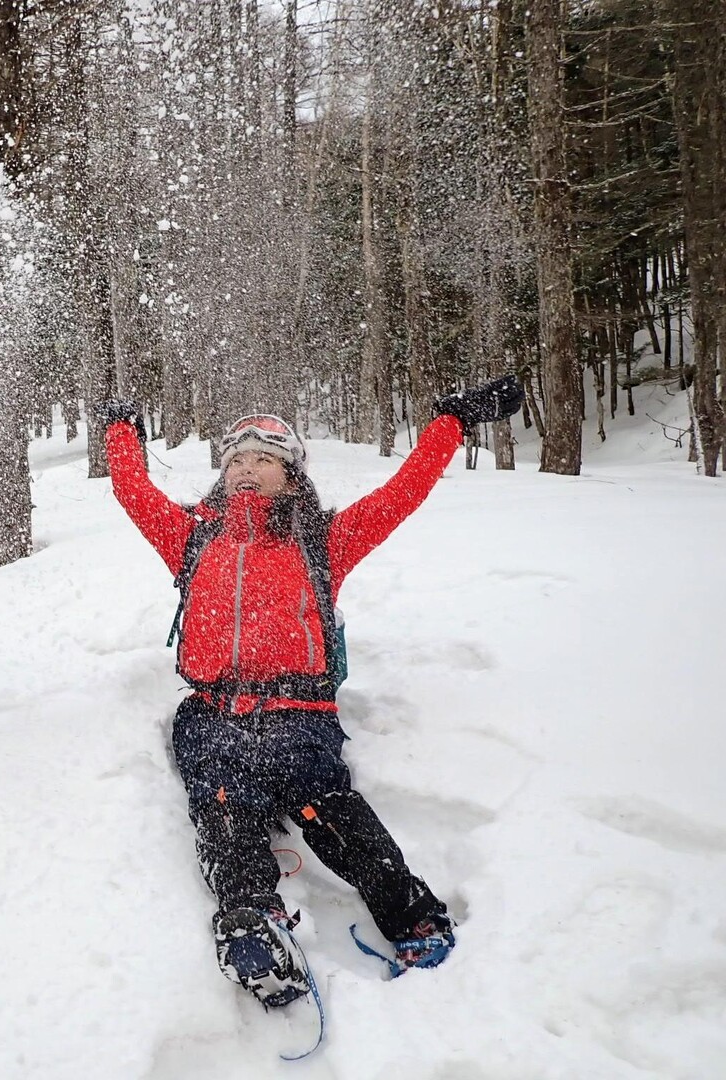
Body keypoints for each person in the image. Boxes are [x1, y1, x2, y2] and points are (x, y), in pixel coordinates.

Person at [97, 375, 523, 1006]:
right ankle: (253, 921)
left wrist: (452, 421)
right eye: (237, 458)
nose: (247, 469)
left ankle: (411, 913)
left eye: (264, 459)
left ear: (290, 474)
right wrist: (120, 431)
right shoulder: (192, 535)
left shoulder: (322, 539)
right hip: (211, 708)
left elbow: (403, 493)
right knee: (222, 803)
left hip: (299, 708)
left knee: (323, 797)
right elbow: (132, 490)